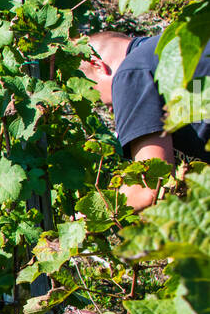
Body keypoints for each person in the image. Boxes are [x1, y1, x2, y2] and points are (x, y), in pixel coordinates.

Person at [80, 29, 210, 210]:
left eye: (93, 94)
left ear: (97, 65)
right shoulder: (169, 51)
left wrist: (87, 217)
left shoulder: (131, 72)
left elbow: (152, 184)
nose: (110, 110)